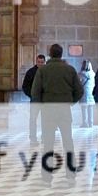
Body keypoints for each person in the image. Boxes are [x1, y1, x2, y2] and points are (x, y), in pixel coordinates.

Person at [30, 44, 83, 186]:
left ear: (49, 54)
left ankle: (47, 178)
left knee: (48, 143)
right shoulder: (69, 69)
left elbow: (35, 92)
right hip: (64, 110)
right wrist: (70, 102)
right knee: (68, 142)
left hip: (48, 111)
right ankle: (71, 176)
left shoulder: (43, 70)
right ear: (61, 54)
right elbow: (79, 91)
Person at [22, 54, 46, 145]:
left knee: (45, 120)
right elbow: (25, 86)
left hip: (44, 100)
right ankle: (33, 139)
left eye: (42, 62)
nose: (40, 64)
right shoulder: (30, 72)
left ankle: (44, 137)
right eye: (39, 62)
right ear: (36, 62)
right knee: (33, 119)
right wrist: (32, 95)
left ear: (44, 62)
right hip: (35, 100)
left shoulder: (47, 71)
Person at [78, 60, 95, 128]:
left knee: (84, 108)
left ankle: (85, 123)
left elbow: (79, 84)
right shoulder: (93, 73)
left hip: (84, 92)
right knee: (90, 108)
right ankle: (91, 123)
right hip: (91, 92)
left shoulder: (80, 74)